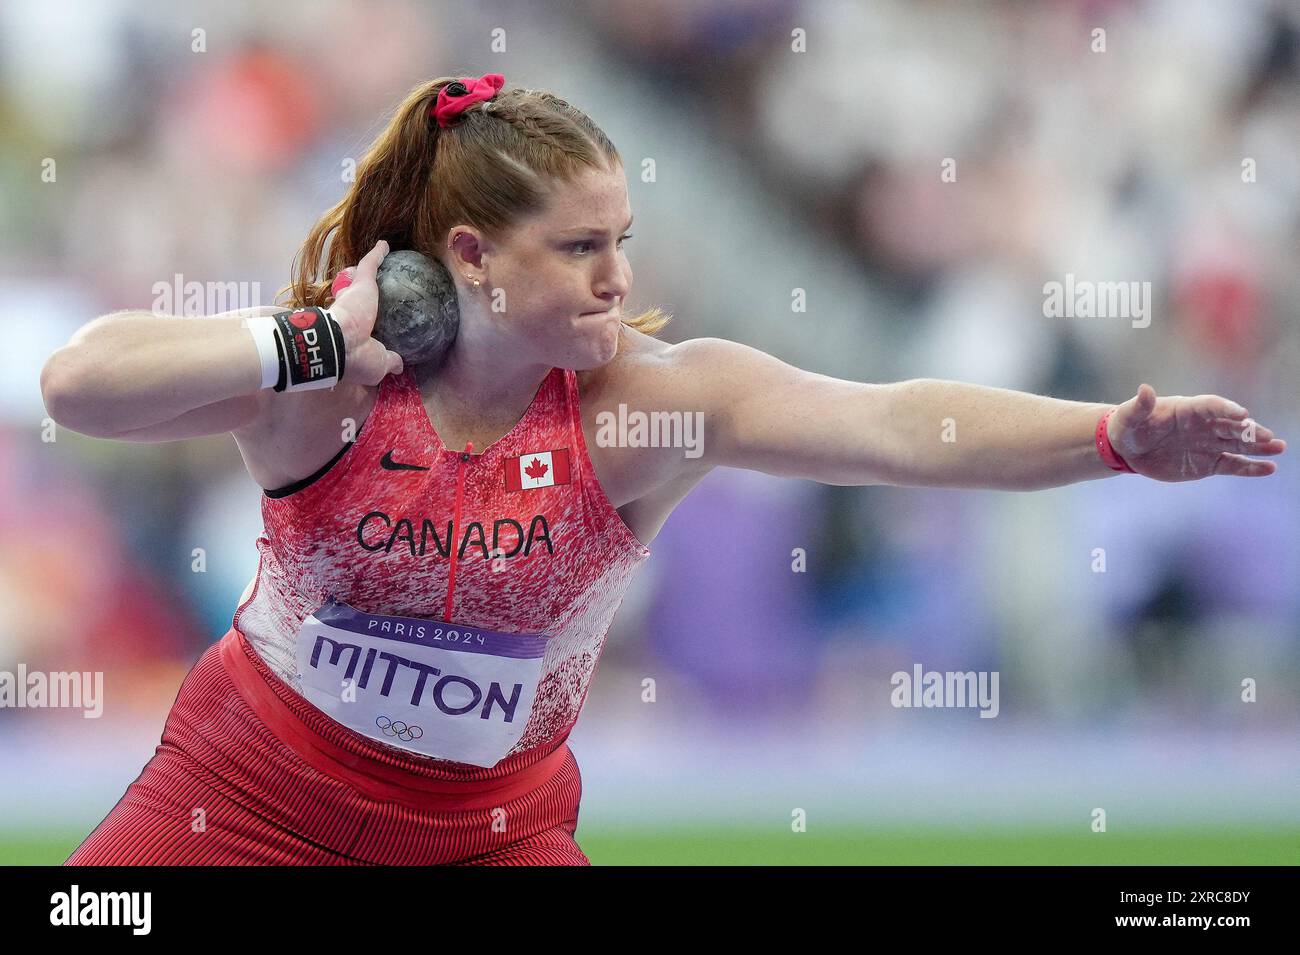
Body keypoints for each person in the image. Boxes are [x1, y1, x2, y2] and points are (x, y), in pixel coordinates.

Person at [42, 74, 1286, 866]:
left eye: (621, 243)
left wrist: (1112, 440)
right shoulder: (333, 382)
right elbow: (79, 383)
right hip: (240, 803)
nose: (618, 281)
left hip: (489, 837)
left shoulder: (650, 411)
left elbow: (901, 423)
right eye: (580, 249)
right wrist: (303, 336)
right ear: (471, 258)